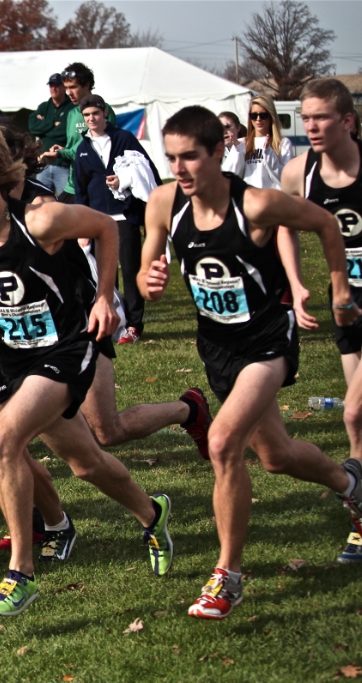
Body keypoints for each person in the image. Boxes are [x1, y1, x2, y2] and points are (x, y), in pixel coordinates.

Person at [0, 125, 174, 616]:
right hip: (12, 357)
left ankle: (20, 574)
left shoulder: (41, 220)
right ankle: (152, 513)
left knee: (2, 442)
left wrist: (106, 297)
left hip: (66, 347)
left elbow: (107, 228)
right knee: (85, 463)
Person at [138, 105, 362, 620]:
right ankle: (351, 483)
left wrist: (339, 287)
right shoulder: (164, 202)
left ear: (219, 152)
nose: (180, 169)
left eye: (191, 157)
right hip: (217, 346)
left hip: (267, 342)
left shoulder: (256, 206)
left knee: (222, 442)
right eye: (172, 158)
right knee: (277, 455)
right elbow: (153, 257)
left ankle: (227, 577)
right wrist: (152, 277)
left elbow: (327, 223)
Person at [277, 78, 362, 563]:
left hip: (351, 300)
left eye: (322, 117)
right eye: (305, 117)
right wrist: (297, 283)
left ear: (347, 120)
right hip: (344, 306)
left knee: (353, 411)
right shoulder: (299, 172)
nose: (310, 125)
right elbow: (281, 226)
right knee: (359, 419)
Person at [74, 94, 161, 345]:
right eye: (87, 115)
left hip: (124, 215)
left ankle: (134, 325)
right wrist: (83, 225)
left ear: (105, 114)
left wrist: (123, 180)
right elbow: (81, 190)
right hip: (98, 219)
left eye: (96, 114)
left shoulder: (123, 138)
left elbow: (146, 169)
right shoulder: (82, 149)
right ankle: (114, 322)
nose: (92, 119)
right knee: (105, 275)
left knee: (131, 268)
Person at [41, 63, 116, 203]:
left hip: (95, 186)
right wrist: (63, 149)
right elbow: (75, 146)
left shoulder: (103, 111)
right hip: (73, 186)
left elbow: (99, 147)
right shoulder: (72, 113)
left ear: (87, 85)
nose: (68, 93)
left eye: (73, 87)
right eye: (67, 88)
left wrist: (60, 154)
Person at [28, 73, 74, 196]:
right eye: (51, 85)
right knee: (41, 200)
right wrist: (53, 124)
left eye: (57, 85)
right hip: (44, 165)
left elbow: (66, 132)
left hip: (63, 164)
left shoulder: (71, 107)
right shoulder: (44, 107)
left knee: (68, 200)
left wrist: (44, 129)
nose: (53, 88)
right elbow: (33, 127)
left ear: (64, 87)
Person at [243, 94, 294, 190]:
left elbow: (286, 179)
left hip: (272, 200)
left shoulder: (283, 143)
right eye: (254, 115)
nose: (258, 119)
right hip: (249, 200)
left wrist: (269, 153)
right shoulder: (244, 144)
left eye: (263, 115)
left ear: (271, 116)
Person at [218, 111, 246, 177]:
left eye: (227, 126)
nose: (224, 131)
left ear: (238, 128)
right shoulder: (218, 154)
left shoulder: (248, 149)